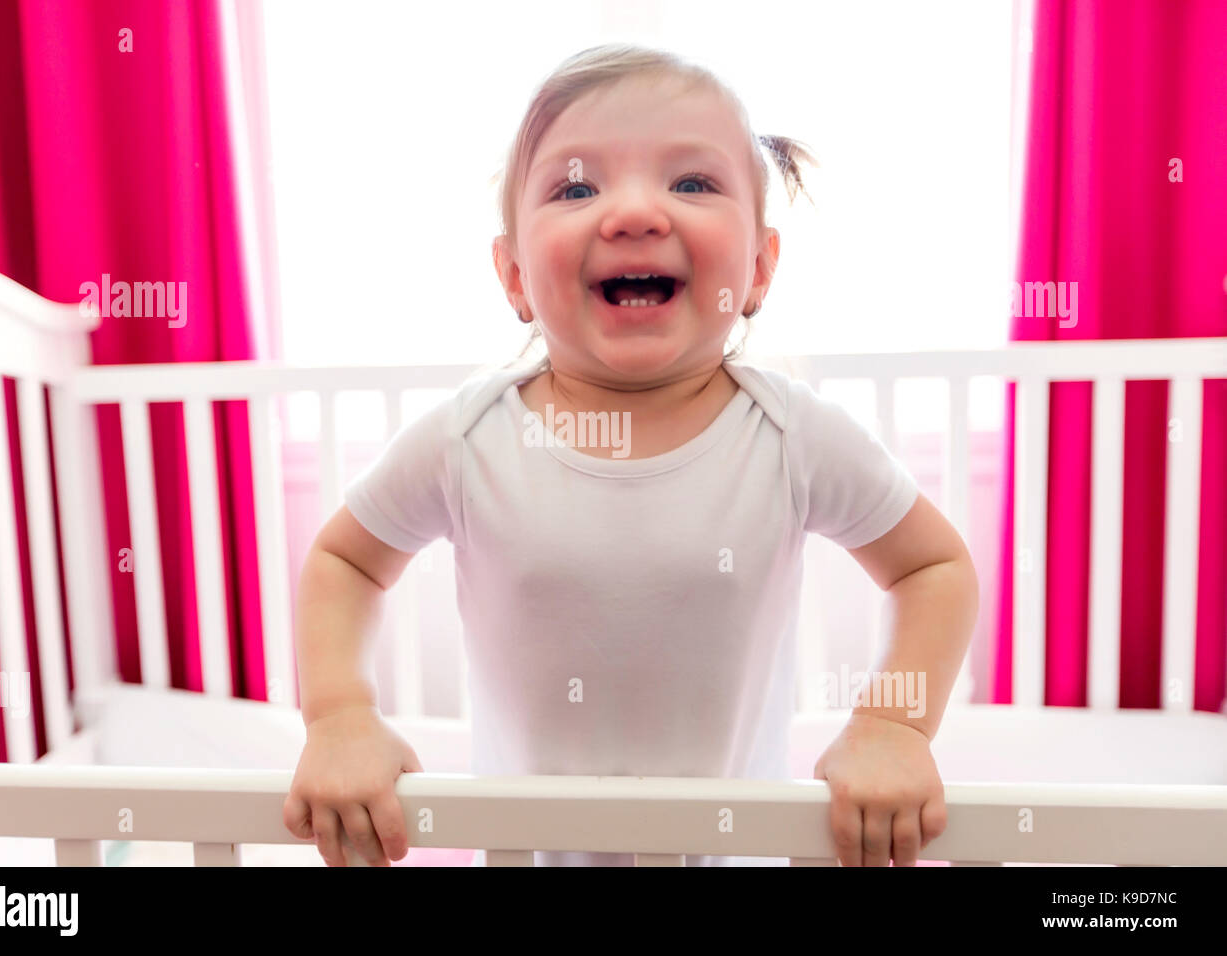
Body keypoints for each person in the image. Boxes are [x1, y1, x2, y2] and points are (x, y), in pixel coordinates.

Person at [283, 43, 978, 867]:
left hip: (734, 856)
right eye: (576, 187)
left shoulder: (792, 436)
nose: (636, 213)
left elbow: (932, 568)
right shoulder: (467, 441)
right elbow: (344, 562)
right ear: (512, 275)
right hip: (523, 858)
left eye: (692, 183)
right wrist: (339, 713)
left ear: (758, 268)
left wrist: (893, 725)